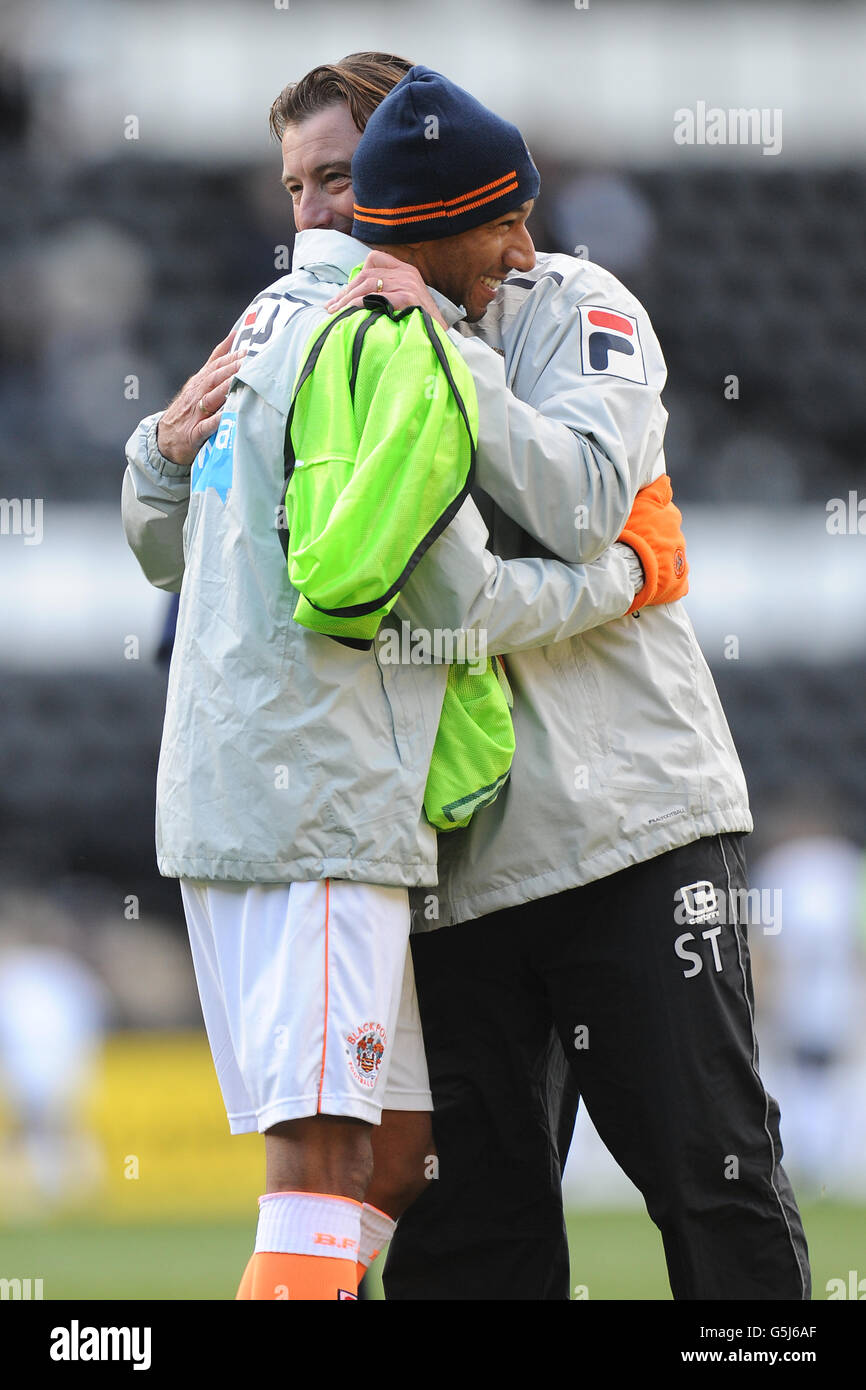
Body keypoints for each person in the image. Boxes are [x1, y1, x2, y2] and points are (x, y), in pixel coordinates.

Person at [122, 53, 686, 1301]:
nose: (314, 210)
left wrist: (158, 461)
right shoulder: (365, 338)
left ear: (401, 178)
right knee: (327, 1158)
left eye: (336, 177)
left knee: (396, 1158)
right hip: (318, 799)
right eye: (297, 186)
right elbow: (410, 591)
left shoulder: (279, 322)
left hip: (297, 798)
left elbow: (191, 545)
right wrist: (630, 575)